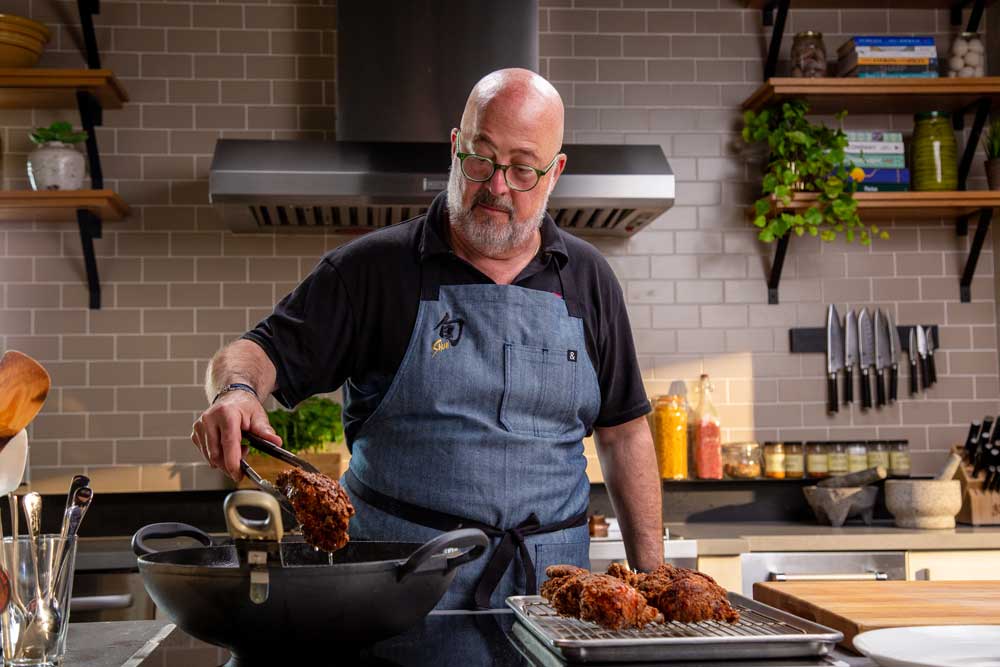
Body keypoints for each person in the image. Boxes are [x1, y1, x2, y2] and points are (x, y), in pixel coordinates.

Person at [191, 68, 663, 609]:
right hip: (399, 607)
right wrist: (237, 392)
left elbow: (625, 434)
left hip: (554, 607)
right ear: (456, 147)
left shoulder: (588, 278)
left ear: (554, 173)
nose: (497, 185)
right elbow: (258, 351)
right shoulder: (374, 268)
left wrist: (656, 581)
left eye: (522, 168)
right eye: (482, 157)